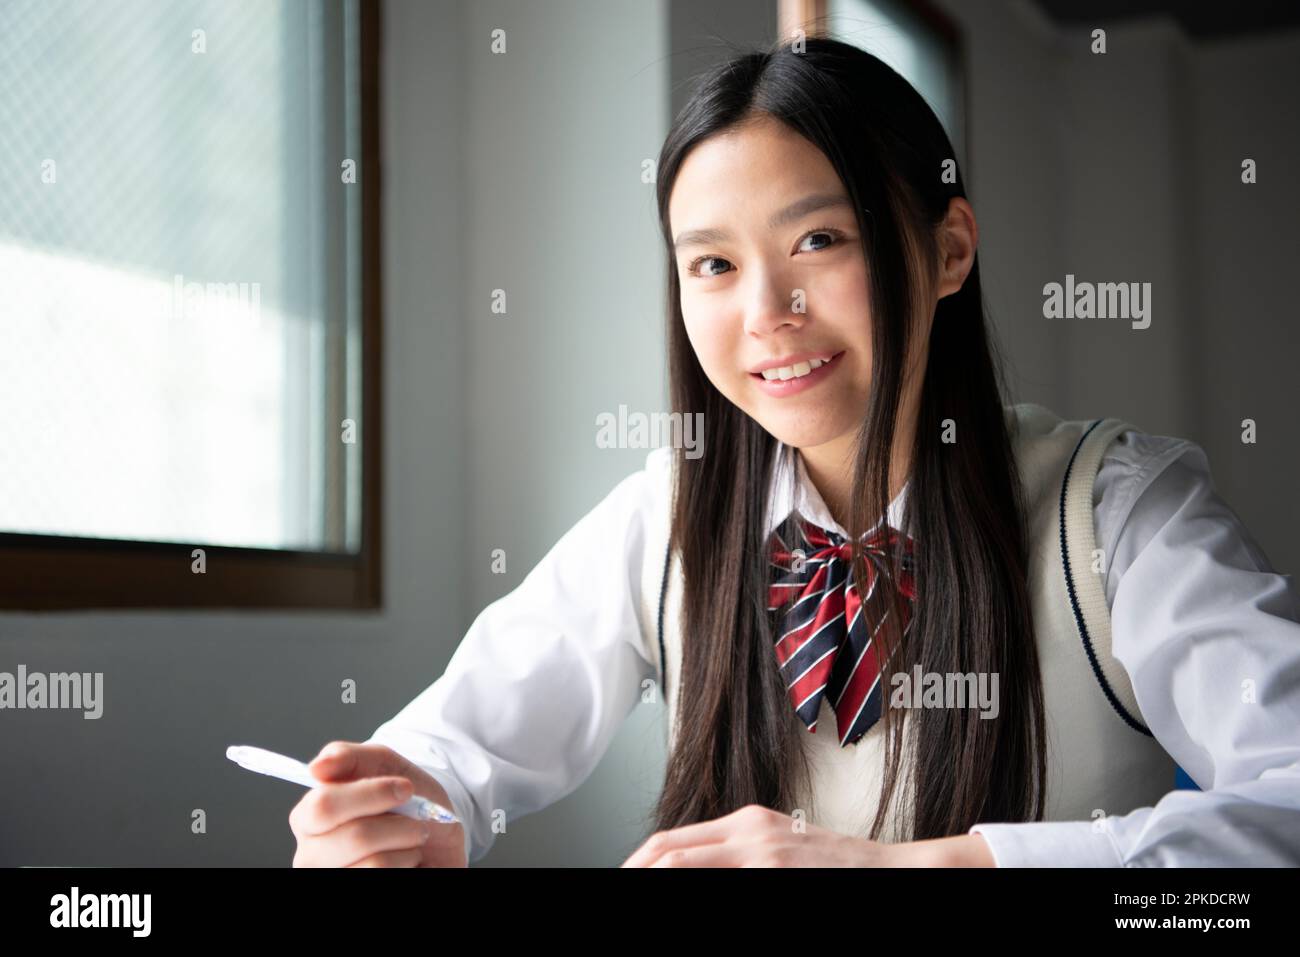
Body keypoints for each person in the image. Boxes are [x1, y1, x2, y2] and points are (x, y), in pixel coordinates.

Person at [288, 37, 1300, 868]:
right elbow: (458, 744)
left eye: (819, 241)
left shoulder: (1115, 510)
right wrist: (397, 806)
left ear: (948, 248)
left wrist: (921, 869)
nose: (766, 313)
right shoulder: (670, 515)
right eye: (714, 265)